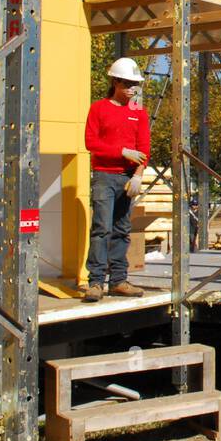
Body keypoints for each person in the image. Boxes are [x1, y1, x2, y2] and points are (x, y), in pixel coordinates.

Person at [82, 57, 150, 303]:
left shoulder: (139, 114)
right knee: (102, 228)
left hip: (126, 178)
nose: (133, 89)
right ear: (115, 82)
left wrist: (138, 174)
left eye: (136, 85)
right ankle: (96, 282)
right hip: (104, 175)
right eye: (128, 84)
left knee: (121, 229)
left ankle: (119, 280)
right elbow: (91, 143)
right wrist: (121, 151)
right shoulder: (99, 109)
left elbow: (144, 147)